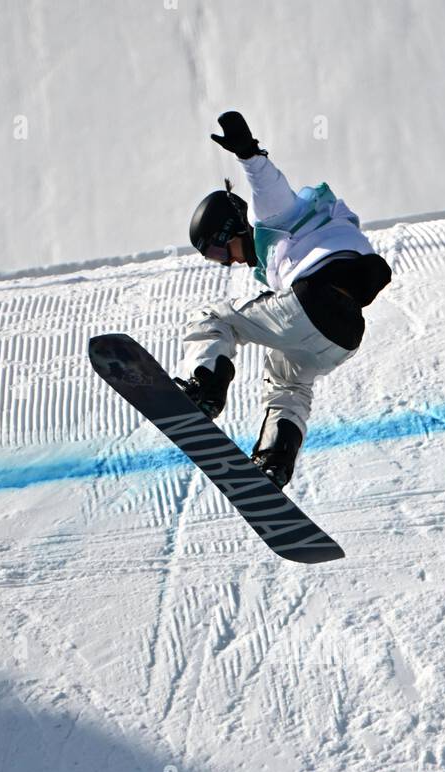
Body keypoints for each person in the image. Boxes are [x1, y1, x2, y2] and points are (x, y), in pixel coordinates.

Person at [176, 111, 392, 490]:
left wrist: (248, 153)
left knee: (215, 318)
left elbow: (266, 183)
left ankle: (204, 390)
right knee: (287, 382)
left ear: (232, 228)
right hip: (342, 336)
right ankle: (275, 460)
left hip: (312, 302)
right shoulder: (288, 250)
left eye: (219, 251)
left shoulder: (272, 218)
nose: (228, 262)